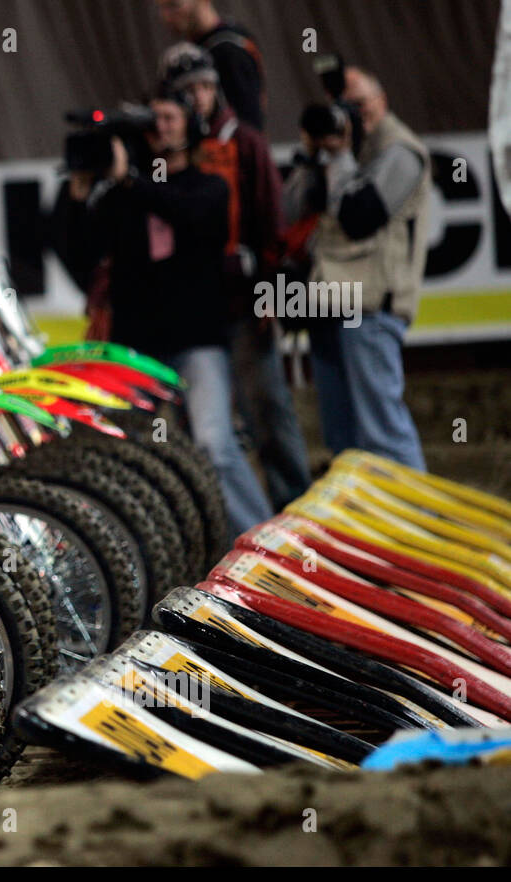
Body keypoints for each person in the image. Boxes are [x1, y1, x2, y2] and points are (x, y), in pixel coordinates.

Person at [56, 88, 272, 535]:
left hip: (197, 339)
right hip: (137, 344)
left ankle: (259, 538)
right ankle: (140, 550)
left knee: (214, 442)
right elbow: (79, 251)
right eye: (153, 120)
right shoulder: (121, 195)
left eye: (170, 118)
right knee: (132, 449)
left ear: (191, 127)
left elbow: (193, 217)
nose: (161, 127)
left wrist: (131, 181)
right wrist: (78, 194)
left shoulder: (207, 186)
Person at [161, 43, 311, 511]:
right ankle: (217, 526)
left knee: (267, 411)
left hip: (245, 305)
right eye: (189, 90)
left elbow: (272, 223)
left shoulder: (243, 141)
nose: (200, 97)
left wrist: (272, 292)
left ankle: (294, 513)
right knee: (200, 432)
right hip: (190, 313)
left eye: (206, 86)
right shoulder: (164, 149)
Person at [283, 67, 428, 471]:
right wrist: (314, 156)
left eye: (359, 104)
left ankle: (413, 521)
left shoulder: (400, 150)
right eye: (342, 107)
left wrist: (342, 157)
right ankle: (359, 530)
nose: (351, 115)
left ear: (382, 101)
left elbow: (359, 216)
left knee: (384, 433)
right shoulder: (337, 153)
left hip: (369, 308)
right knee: (342, 440)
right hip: (327, 304)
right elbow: (290, 209)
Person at [156, 0, 266, 131]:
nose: (166, 17)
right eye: (161, 8)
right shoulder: (199, 45)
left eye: (174, 5)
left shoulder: (228, 50)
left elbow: (249, 128)